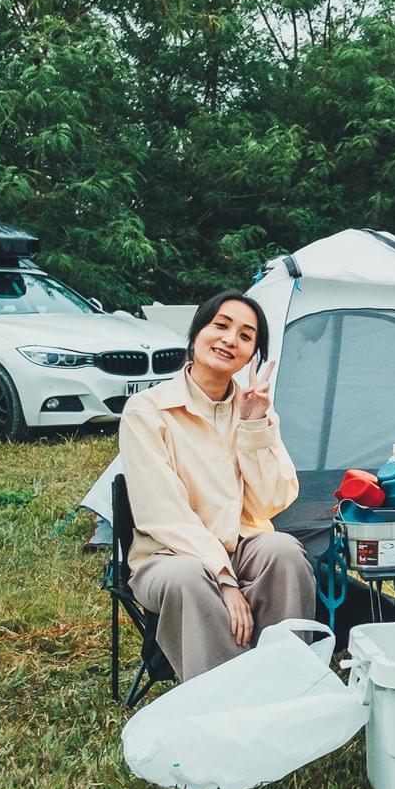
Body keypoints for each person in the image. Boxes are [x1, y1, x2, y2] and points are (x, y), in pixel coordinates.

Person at [119, 290, 315, 681]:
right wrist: (224, 579)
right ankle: (225, 697)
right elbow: (164, 514)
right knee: (187, 579)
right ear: (196, 332)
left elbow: (272, 501)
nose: (229, 340)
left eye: (245, 336)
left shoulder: (253, 408)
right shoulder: (147, 411)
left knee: (284, 552)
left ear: (252, 355)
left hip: (240, 544)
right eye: (221, 326)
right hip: (170, 555)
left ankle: (286, 681)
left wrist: (254, 426)